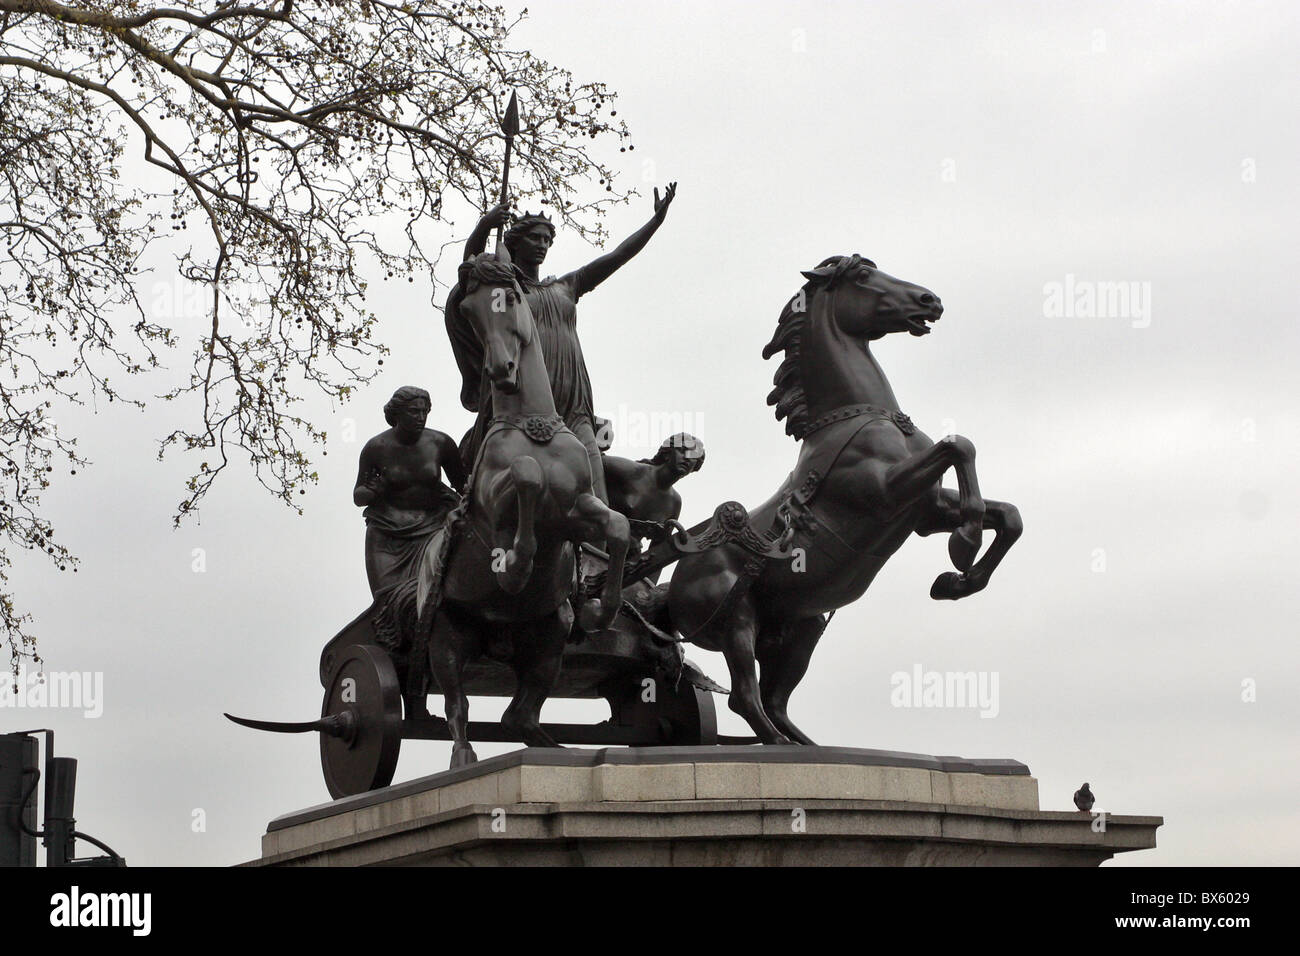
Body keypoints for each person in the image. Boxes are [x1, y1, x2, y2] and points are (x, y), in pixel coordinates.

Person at [446, 184, 678, 503]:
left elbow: (617, 256)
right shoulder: (506, 288)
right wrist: (484, 226)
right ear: (516, 241)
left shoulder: (567, 286)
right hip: (524, 395)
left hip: (574, 401)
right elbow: (470, 274)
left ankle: (597, 551)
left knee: (594, 491)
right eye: (534, 238)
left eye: (547, 239)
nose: (542, 245)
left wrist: (655, 222)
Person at [353, 386, 466, 597]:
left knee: (440, 597)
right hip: (387, 534)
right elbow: (358, 497)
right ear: (398, 413)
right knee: (388, 600)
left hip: (435, 527)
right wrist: (374, 491)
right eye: (414, 412)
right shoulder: (376, 448)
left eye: (425, 412)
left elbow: (464, 485)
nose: (421, 417)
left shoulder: (441, 443)